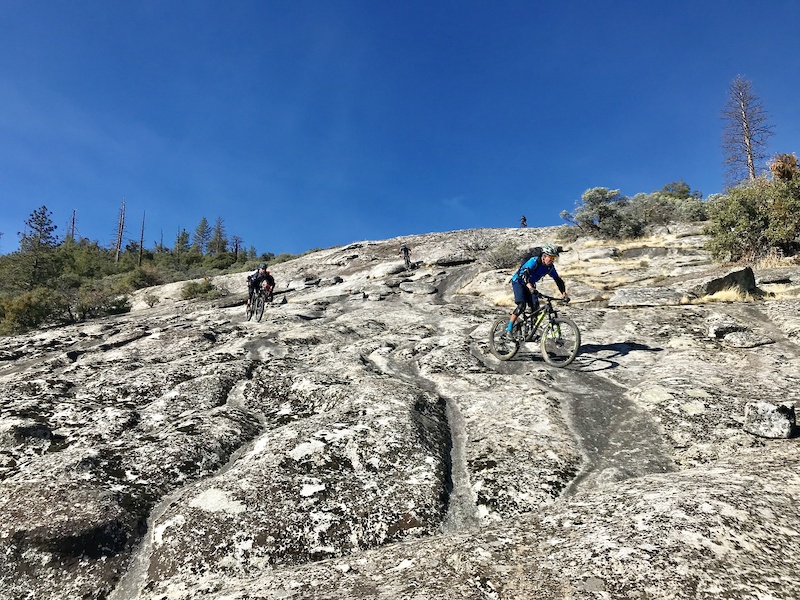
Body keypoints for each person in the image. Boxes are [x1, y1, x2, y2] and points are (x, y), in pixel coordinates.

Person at [505, 243, 568, 337]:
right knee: (522, 306)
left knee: (535, 307)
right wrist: (530, 288)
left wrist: (564, 294)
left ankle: (531, 331)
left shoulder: (550, 267)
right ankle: (509, 329)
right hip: (519, 282)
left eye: (553, 258)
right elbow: (525, 275)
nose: (552, 260)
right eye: (550, 258)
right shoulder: (534, 261)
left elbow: (558, 280)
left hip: (531, 284)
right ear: (544, 256)